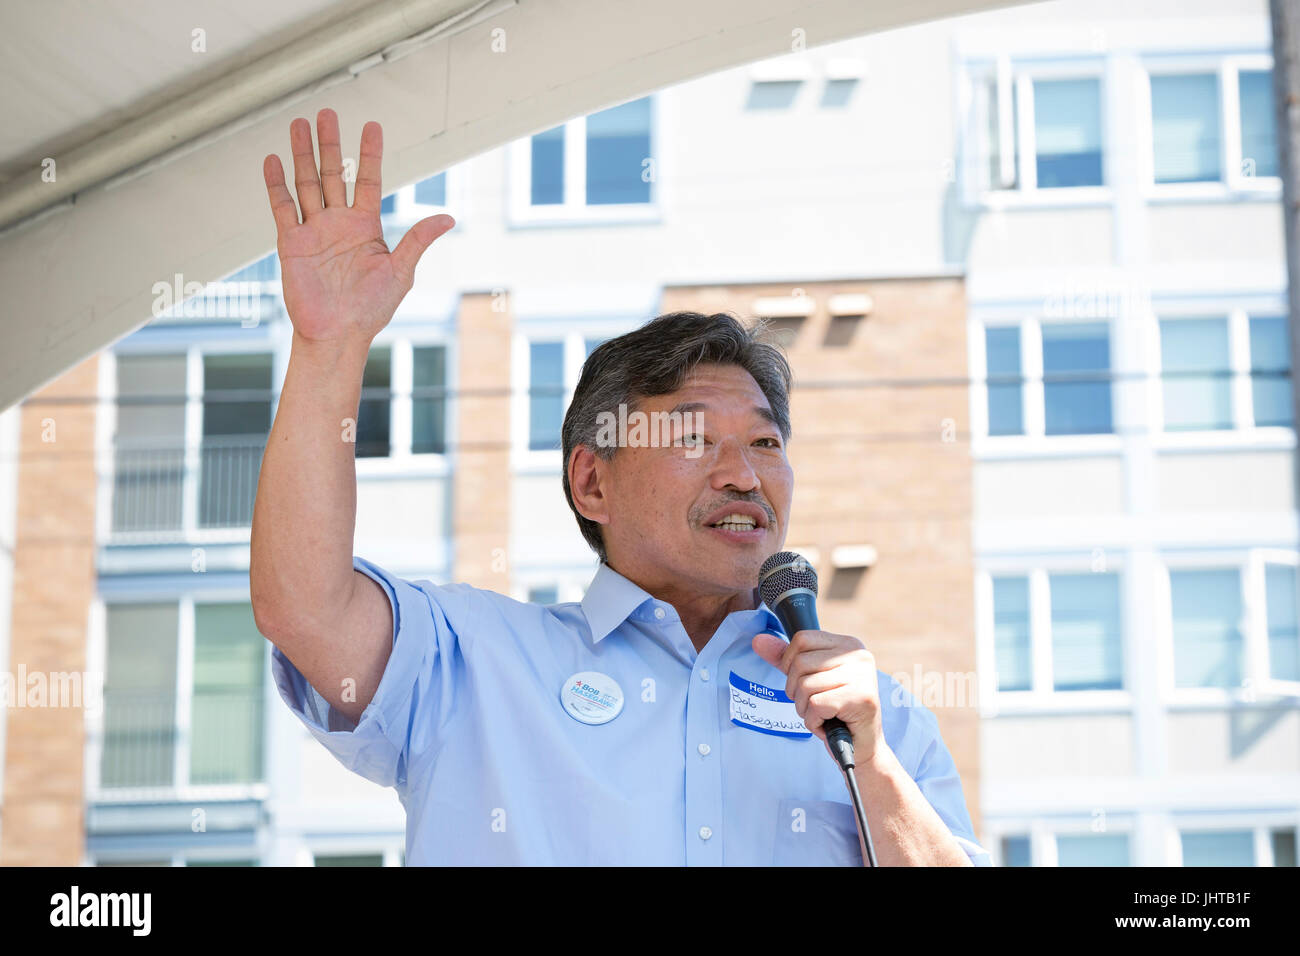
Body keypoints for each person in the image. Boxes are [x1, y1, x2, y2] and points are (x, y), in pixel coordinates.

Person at [253, 108, 992, 866]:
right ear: (591, 481)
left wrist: (870, 766)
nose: (744, 476)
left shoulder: (874, 720)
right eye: (694, 439)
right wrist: (330, 345)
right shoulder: (473, 661)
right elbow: (303, 606)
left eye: (766, 442)